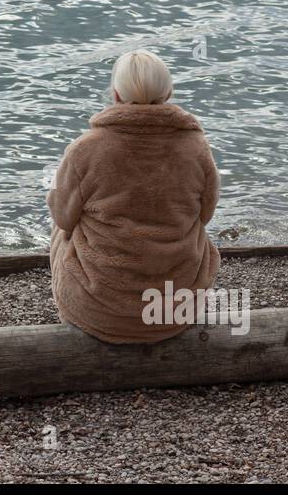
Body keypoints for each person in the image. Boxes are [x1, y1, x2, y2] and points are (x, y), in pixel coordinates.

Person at [47, 49, 220, 343]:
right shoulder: (196, 147)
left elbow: (63, 217)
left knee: (62, 225)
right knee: (192, 229)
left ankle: (89, 306)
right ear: (169, 93)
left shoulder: (85, 149)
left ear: (115, 95)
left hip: (98, 312)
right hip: (175, 313)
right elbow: (206, 213)